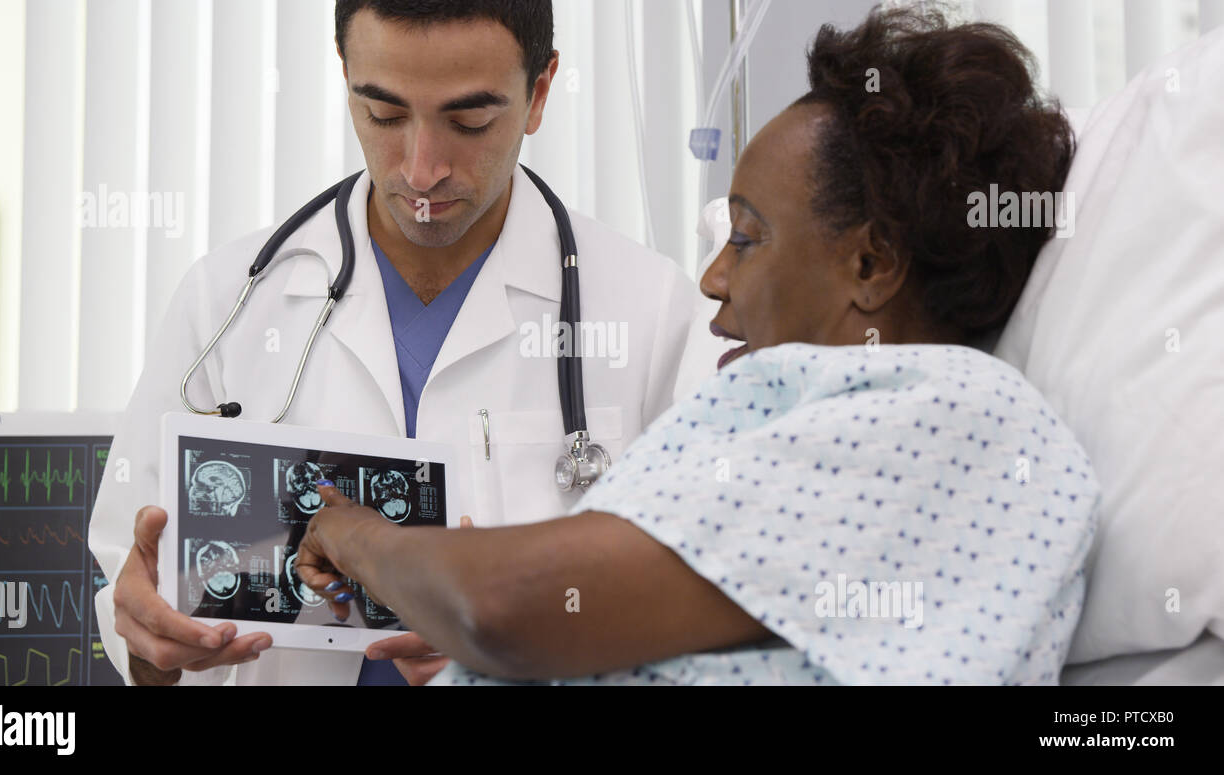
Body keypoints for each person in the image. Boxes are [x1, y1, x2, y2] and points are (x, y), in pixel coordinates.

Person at [293, 5, 1099, 685]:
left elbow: (503, 606)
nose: (713, 275)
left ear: (870, 263)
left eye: (746, 237)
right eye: (386, 112)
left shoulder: (946, 417)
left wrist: (356, 536)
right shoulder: (807, 426)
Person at [88, 0, 702, 686]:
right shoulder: (227, 301)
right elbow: (130, 567)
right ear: (345, 73)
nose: (421, 170)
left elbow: (716, 618)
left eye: (469, 121)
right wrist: (149, 647)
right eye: (382, 114)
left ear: (540, 93)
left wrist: (522, 650)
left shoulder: (650, 316)